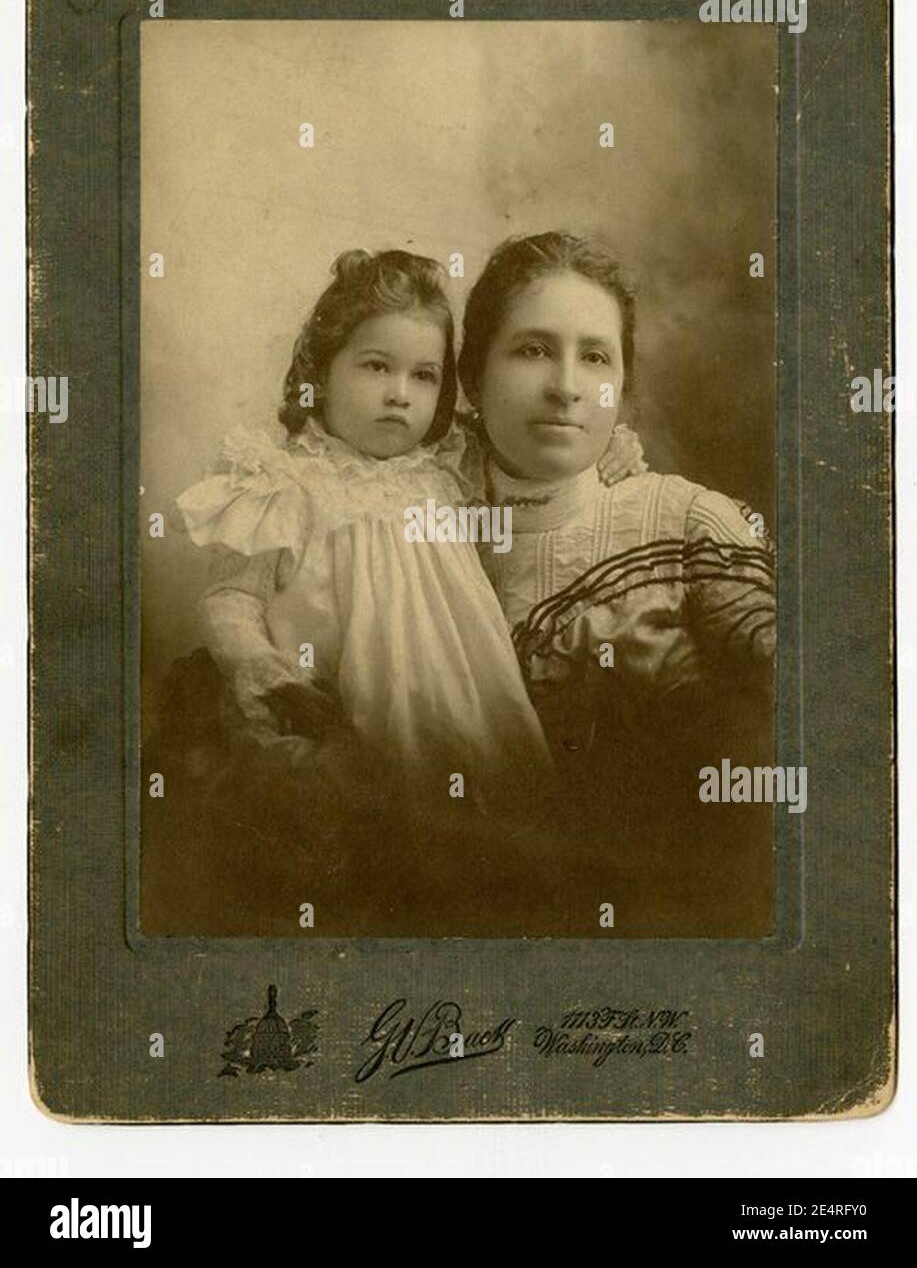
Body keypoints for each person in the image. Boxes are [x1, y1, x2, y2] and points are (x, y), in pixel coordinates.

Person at [144, 247, 643, 935]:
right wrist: (255, 664)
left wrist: (611, 447)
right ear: (320, 370)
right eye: (376, 366)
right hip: (339, 704)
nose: (400, 394)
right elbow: (231, 597)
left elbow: (535, 449)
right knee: (367, 851)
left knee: (494, 834)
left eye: (424, 375)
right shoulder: (282, 481)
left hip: (459, 699)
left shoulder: (446, 464)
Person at [459, 231, 777, 936]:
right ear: (471, 376)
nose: (566, 386)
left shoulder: (683, 520)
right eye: (532, 350)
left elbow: (790, 722)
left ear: (622, 389)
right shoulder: (411, 542)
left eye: (595, 357)